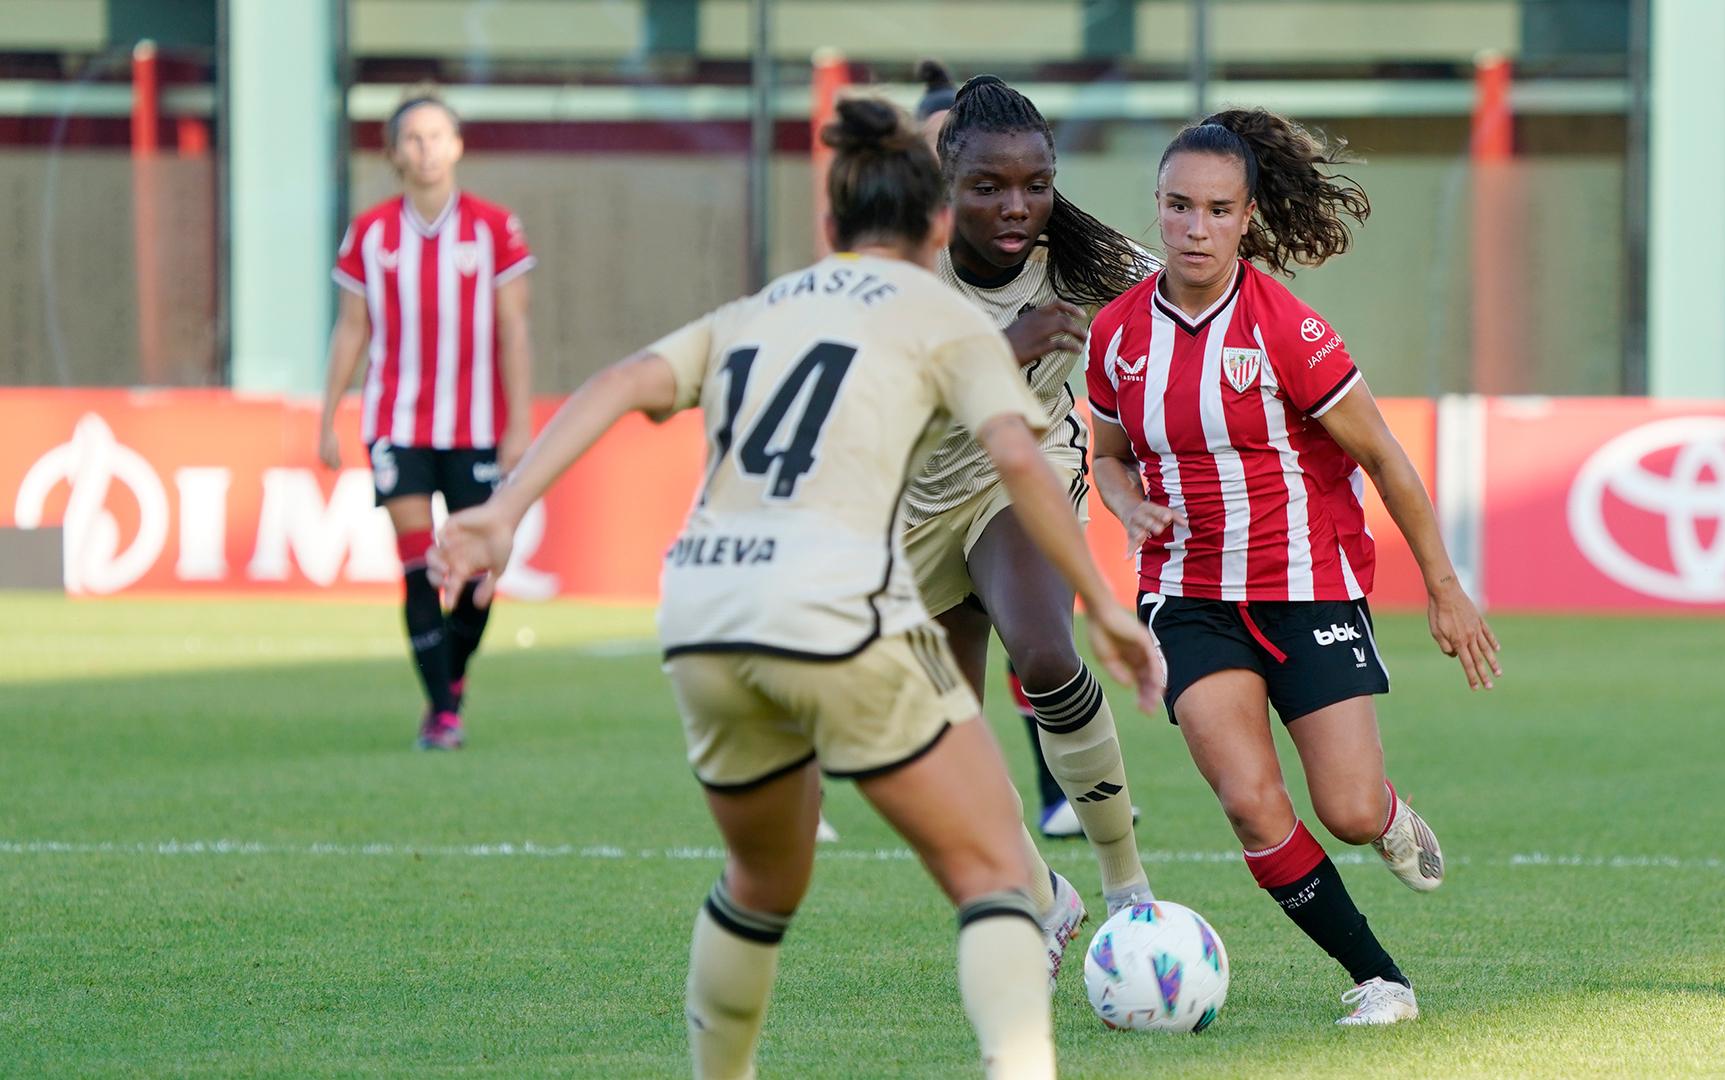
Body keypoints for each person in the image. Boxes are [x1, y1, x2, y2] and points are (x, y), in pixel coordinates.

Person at [435, 98, 1162, 1080]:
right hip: (836, 602)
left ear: (828, 225)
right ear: (937, 220)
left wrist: (501, 510)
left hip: (702, 613)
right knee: (993, 871)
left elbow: (622, 379)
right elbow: (1020, 457)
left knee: (760, 884)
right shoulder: (938, 315)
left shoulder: (765, 308)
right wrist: (1107, 605)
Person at [1085, 108, 1502, 1026]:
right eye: (1179, 206)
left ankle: (1383, 815)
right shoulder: (1116, 334)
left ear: (1247, 217)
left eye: (1218, 210)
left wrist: (1445, 590)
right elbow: (1107, 456)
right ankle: (1380, 979)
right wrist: (1124, 502)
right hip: (1188, 597)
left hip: (1307, 588)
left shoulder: (1287, 329)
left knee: (1344, 810)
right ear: (1158, 206)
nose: (1196, 228)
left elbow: (1384, 457)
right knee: (1249, 802)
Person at [904, 73, 1161, 920]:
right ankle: (1048, 897)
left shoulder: (1080, 260)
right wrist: (1004, 348)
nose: (1017, 206)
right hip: (909, 508)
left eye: (1036, 185)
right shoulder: (900, 265)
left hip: (1022, 471)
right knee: (937, 747)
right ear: (947, 184)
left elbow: (1192, 297)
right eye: (988, 187)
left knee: (1046, 655)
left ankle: (1127, 889)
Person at [319, 88, 534, 751]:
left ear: (458, 146)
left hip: (476, 427)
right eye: (413, 138)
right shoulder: (371, 233)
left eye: (437, 136)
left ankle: (452, 681)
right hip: (398, 424)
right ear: (394, 154)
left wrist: (519, 424)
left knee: (476, 570)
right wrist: (327, 416)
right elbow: (351, 329)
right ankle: (443, 713)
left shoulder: (494, 228)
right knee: (419, 567)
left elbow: (514, 328)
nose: (427, 149)